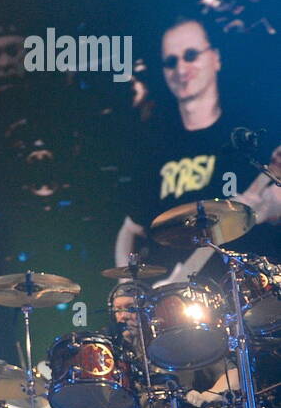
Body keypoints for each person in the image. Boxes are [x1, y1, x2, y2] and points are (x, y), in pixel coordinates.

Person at [114, 17, 281, 282]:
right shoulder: (158, 148)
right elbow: (130, 228)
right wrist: (127, 286)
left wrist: (266, 208)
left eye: (191, 55)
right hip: (175, 306)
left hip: (249, 297)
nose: (182, 68)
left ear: (215, 58)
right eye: (171, 61)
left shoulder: (251, 136)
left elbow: (275, 200)